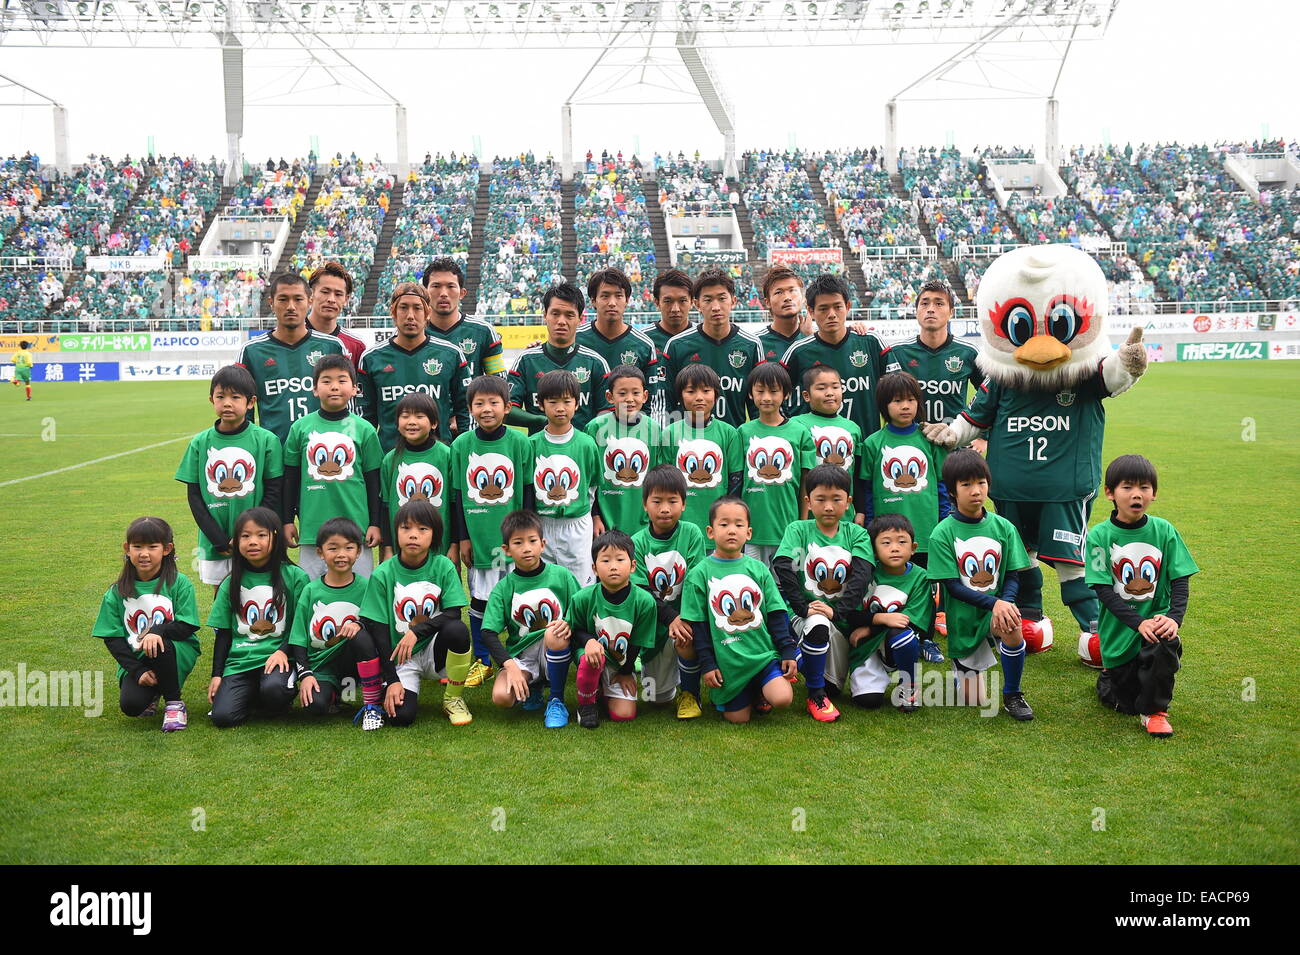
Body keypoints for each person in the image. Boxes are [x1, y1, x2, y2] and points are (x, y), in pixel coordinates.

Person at [1086, 454, 1198, 739]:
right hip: (1120, 637)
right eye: (1127, 487)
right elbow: (1103, 590)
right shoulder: (1099, 535)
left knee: (1162, 640)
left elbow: (1180, 578)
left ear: (1154, 493)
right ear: (1110, 493)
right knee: (1124, 704)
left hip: (1155, 623)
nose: (1137, 494)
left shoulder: (1164, 531)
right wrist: (1138, 623)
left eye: (1144, 487)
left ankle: (1156, 714)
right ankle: (1110, 680)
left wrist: (1173, 618)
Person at [927, 450, 1035, 721]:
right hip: (964, 617)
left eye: (981, 483)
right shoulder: (943, 533)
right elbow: (952, 586)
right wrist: (995, 603)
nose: (976, 491)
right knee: (973, 699)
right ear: (952, 491)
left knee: (1012, 623)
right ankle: (961, 671)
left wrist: (1005, 603)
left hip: (996, 610)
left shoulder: (1003, 527)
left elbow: (1012, 574)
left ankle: (1013, 694)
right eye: (966, 485)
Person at [450, 374, 536, 685]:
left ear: (507, 407)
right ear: (470, 408)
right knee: (481, 598)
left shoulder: (519, 442)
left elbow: (527, 491)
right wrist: (462, 537)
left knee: (516, 595)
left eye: (493, 403)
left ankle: (517, 654)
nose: (487, 409)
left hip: (511, 541)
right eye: (479, 403)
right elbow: (458, 495)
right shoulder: (461, 445)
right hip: (480, 537)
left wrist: (527, 537)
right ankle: (483, 659)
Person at [858, 371, 949, 662]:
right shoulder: (873, 443)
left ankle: (926, 638)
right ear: (885, 406)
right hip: (887, 536)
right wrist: (871, 526)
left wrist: (944, 521)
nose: (905, 406)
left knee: (925, 587)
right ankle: (887, 632)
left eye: (910, 399)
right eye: (897, 401)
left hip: (925, 530)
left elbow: (942, 484)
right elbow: (867, 490)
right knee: (889, 584)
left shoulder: (929, 440)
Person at [772, 465, 874, 722]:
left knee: (835, 689)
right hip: (806, 617)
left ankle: (795, 658)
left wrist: (838, 611)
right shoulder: (798, 529)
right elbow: (783, 565)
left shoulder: (856, 533)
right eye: (820, 499)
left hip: (841, 619)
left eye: (836, 499)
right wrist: (802, 608)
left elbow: (862, 576)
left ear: (848, 502)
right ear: (808, 501)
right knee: (817, 622)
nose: (828, 506)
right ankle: (815, 695)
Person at [681, 497, 797, 724]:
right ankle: (750, 692)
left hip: (761, 656)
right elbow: (700, 625)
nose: (731, 530)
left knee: (783, 698)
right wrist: (708, 664)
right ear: (710, 532)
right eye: (724, 525)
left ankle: (761, 687)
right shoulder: (699, 574)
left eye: (739, 525)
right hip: (728, 663)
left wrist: (787, 651)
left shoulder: (759, 569)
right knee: (737, 719)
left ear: (749, 532)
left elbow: (776, 613)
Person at [360, 500, 473, 727]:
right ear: (397, 533)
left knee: (458, 631)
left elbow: (453, 614)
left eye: (423, 529)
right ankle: (389, 686)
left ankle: (453, 697)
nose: (414, 535)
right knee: (401, 718)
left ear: (434, 535)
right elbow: (379, 632)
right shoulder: (383, 573)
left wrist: (417, 631)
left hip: (434, 649)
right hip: (401, 656)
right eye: (406, 528)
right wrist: (392, 679)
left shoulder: (443, 565)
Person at [175, 365, 283, 594]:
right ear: (211, 400)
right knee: (222, 592)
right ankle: (222, 632)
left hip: (258, 538)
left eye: (235, 397)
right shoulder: (199, 443)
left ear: (251, 402)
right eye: (220, 396)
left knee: (260, 590)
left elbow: (274, 491)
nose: (227, 403)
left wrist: (252, 533)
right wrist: (219, 540)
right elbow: (194, 496)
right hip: (216, 541)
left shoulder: (266, 440)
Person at [91, 516, 200, 732]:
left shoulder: (179, 583)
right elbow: (112, 638)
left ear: (167, 549)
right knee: (131, 706)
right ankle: (153, 691)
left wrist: (157, 631)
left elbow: (187, 626)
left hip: (175, 651)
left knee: (157, 644)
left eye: (152, 546)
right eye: (137, 546)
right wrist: (137, 670)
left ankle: (174, 703)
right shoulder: (116, 593)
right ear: (127, 548)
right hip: (137, 656)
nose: (144, 553)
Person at [282, 354, 383, 579]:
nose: (334, 387)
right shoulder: (300, 428)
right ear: (315, 389)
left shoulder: (364, 429)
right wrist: (287, 520)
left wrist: (375, 523)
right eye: (326, 381)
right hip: (312, 531)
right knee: (312, 591)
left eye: (342, 380)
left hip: (356, 530)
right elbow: (290, 479)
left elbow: (374, 481)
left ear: (355, 388)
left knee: (359, 593)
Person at [207, 507, 309, 728]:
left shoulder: (295, 577)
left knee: (274, 693)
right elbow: (223, 633)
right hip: (240, 662)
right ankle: (251, 691)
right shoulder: (230, 583)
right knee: (223, 718)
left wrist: (284, 651)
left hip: (278, 658)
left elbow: (300, 626)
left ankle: (272, 690)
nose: (253, 542)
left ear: (275, 537)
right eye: (245, 536)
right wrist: (217, 675)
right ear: (236, 541)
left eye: (261, 535)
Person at [481, 510, 582, 728]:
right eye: (518, 542)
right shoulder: (504, 587)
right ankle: (533, 687)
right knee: (501, 697)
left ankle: (556, 699)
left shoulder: (561, 576)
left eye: (532, 541)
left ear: (542, 544)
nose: (527, 548)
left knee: (553, 632)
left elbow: (580, 611)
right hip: (523, 656)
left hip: (554, 647)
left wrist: (568, 624)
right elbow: (488, 632)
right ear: (506, 550)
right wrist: (511, 667)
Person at [286, 517, 386, 728]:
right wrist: (305, 674)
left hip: (355, 660)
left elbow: (378, 628)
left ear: (358, 552)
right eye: (333, 548)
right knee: (314, 706)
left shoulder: (367, 587)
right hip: (321, 665)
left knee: (359, 631)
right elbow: (298, 638)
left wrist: (359, 625)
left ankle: (372, 705)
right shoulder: (310, 590)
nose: (341, 555)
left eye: (348, 548)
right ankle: (333, 693)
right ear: (320, 552)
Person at [632, 465, 709, 720]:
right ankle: (651, 664)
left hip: (686, 617)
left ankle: (690, 692)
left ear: (684, 504)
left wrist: (684, 618)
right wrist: (670, 618)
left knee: (686, 637)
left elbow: (696, 581)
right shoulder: (638, 542)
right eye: (657, 501)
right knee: (656, 699)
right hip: (657, 622)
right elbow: (641, 591)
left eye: (672, 501)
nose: (665, 508)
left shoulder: (692, 533)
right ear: (644, 505)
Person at [235, 272, 347, 443]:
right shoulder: (252, 351)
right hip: (274, 454)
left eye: (298, 299)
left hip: (324, 451)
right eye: (283, 299)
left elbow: (348, 404)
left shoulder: (332, 346)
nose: (291, 306)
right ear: (271, 303)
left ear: (309, 302)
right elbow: (243, 413)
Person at [357, 282, 470, 449]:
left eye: (417, 308)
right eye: (403, 307)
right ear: (393, 312)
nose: (410, 315)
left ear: (428, 313)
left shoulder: (451, 355)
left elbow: (464, 410)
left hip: (440, 460)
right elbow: (365, 420)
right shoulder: (371, 358)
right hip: (390, 461)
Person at [565, 530, 658, 728]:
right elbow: (575, 629)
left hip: (620, 661)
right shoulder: (582, 597)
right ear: (594, 568)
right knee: (592, 660)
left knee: (624, 715)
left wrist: (626, 671)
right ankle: (586, 705)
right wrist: (589, 641)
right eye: (605, 561)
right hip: (590, 654)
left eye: (620, 559)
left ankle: (599, 690)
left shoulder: (645, 601)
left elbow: (637, 642)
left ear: (633, 566)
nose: (613, 567)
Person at [780, 274, 886, 440]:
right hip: (816, 455)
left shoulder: (871, 343)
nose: (831, 314)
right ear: (810, 311)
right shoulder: (798, 352)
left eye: (837, 307)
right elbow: (776, 395)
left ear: (848, 306)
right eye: (823, 309)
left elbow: (896, 392)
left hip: (864, 449)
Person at [881, 279, 984, 448]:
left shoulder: (968, 352)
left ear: (951, 311)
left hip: (953, 445)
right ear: (916, 311)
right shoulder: (897, 353)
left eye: (939, 303)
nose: (930, 309)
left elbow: (988, 395)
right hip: (909, 445)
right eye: (924, 303)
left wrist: (982, 437)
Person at [845, 514, 931, 713]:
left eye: (902, 542)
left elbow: (910, 621)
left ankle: (908, 686)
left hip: (895, 643)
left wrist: (871, 628)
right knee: (868, 701)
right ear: (874, 550)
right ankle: (870, 679)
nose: (895, 548)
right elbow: (850, 615)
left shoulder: (921, 577)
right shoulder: (866, 575)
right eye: (886, 543)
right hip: (866, 647)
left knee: (902, 635)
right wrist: (879, 619)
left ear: (913, 548)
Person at [661, 267, 763, 426]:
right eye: (708, 300)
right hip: (690, 444)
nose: (716, 307)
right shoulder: (676, 346)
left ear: (733, 301)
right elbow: (668, 403)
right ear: (697, 304)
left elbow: (757, 405)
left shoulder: (751, 345)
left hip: (733, 442)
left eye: (722, 298)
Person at [737, 361, 815, 566]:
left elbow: (806, 483)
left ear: (786, 394)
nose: (766, 398)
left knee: (786, 587)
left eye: (774, 391)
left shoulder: (799, 433)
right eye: (760, 391)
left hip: (787, 529)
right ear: (751, 394)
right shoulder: (743, 432)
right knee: (755, 585)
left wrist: (803, 523)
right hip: (752, 530)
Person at [530, 369, 602, 586]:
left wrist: (594, 516)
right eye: (552, 402)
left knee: (580, 585)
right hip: (542, 523)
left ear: (577, 404)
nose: (560, 408)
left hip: (576, 524)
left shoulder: (586, 443)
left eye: (566, 401)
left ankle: (580, 621)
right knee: (545, 583)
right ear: (540, 405)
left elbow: (592, 486)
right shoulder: (531, 444)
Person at [508, 283, 610, 432]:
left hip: (582, 452)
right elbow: (507, 409)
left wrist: (588, 435)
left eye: (569, 315)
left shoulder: (596, 363)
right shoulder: (526, 360)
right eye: (555, 313)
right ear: (545, 316)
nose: (561, 321)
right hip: (539, 452)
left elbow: (608, 409)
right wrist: (542, 421)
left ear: (580, 319)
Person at [584, 364, 665, 537]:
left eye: (635, 393)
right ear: (609, 397)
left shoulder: (654, 429)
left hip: (642, 520)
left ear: (644, 396)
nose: (629, 399)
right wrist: (595, 516)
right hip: (605, 521)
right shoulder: (595, 427)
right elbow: (589, 479)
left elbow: (656, 477)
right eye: (622, 393)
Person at [662, 363, 743, 534]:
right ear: (680, 396)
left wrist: (728, 515)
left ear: (716, 395)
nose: (699, 397)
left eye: (706, 391)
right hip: (681, 523)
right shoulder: (670, 433)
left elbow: (736, 479)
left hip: (718, 523)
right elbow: (665, 480)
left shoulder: (729, 433)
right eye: (691, 392)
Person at [577, 267, 663, 418]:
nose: (612, 303)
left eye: (618, 296)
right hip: (582, 435)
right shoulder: (576, 340)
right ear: (593, 301)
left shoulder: (643, 344)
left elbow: (649, 402)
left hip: (627, 435)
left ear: (627, 300)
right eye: (605, 296)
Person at [378, 392, 453, 565]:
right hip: (402, 550)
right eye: (405, 416)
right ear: (397, 424)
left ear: (434, 423)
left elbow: (454, 503)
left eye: (419, 416)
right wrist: (388, 548)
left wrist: (454, 545)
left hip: (440, 548)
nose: (412, 422)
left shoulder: (447, 455)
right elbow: (386, 505)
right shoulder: (390, 459)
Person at [791, 365, 866, 521]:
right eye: (821, 388)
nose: (830, 393)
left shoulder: (853, 428)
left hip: (844, 516)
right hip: (810, 515)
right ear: (806, 395)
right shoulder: (796, 425)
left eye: (835, 387)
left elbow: (857, 474)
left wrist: (860, 510)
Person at [422, 256, 506, 379]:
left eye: (451, 286)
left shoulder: (483, 332)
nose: (444, 293)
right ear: (425, 292)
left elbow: (499, 382)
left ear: (462, 293)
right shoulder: (412, 333)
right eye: (436, 286)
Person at [645, 268, 694, 422]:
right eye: (668, 301)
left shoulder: (702, 339)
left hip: (695, 428)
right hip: (650, 428)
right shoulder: (642, 341)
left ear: (692, 302)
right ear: (656, 302)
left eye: (682, 301)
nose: (675, 309)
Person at [306, 260, 367, 370]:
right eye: (325, 292)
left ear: (346, 299)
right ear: (311, 294)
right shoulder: (290, 337)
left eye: (338, 294)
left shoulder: (356, 346)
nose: (331, 299)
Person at [754, 265, 809, 364]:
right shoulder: (756, 343)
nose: (787, 297)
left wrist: (812, 337)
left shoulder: (814, 336)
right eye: (779, 292)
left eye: (792, 290)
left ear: (803, 297)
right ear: (767, 302)